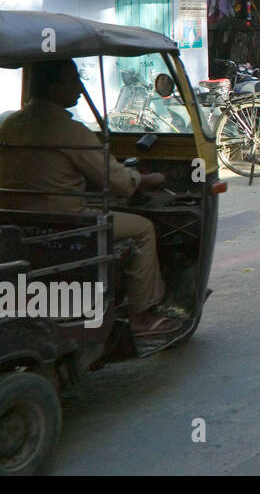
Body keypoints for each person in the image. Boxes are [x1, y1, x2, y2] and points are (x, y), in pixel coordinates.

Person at [0, 60, 184, 338]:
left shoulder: (10, 124)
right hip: (68, 223)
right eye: (73, 79)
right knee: (143, 229)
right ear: (54, 86)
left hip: (14, 222)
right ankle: (142, 315)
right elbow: (119, 183)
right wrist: (145, 180)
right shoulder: (71, 131)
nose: (79, 87)